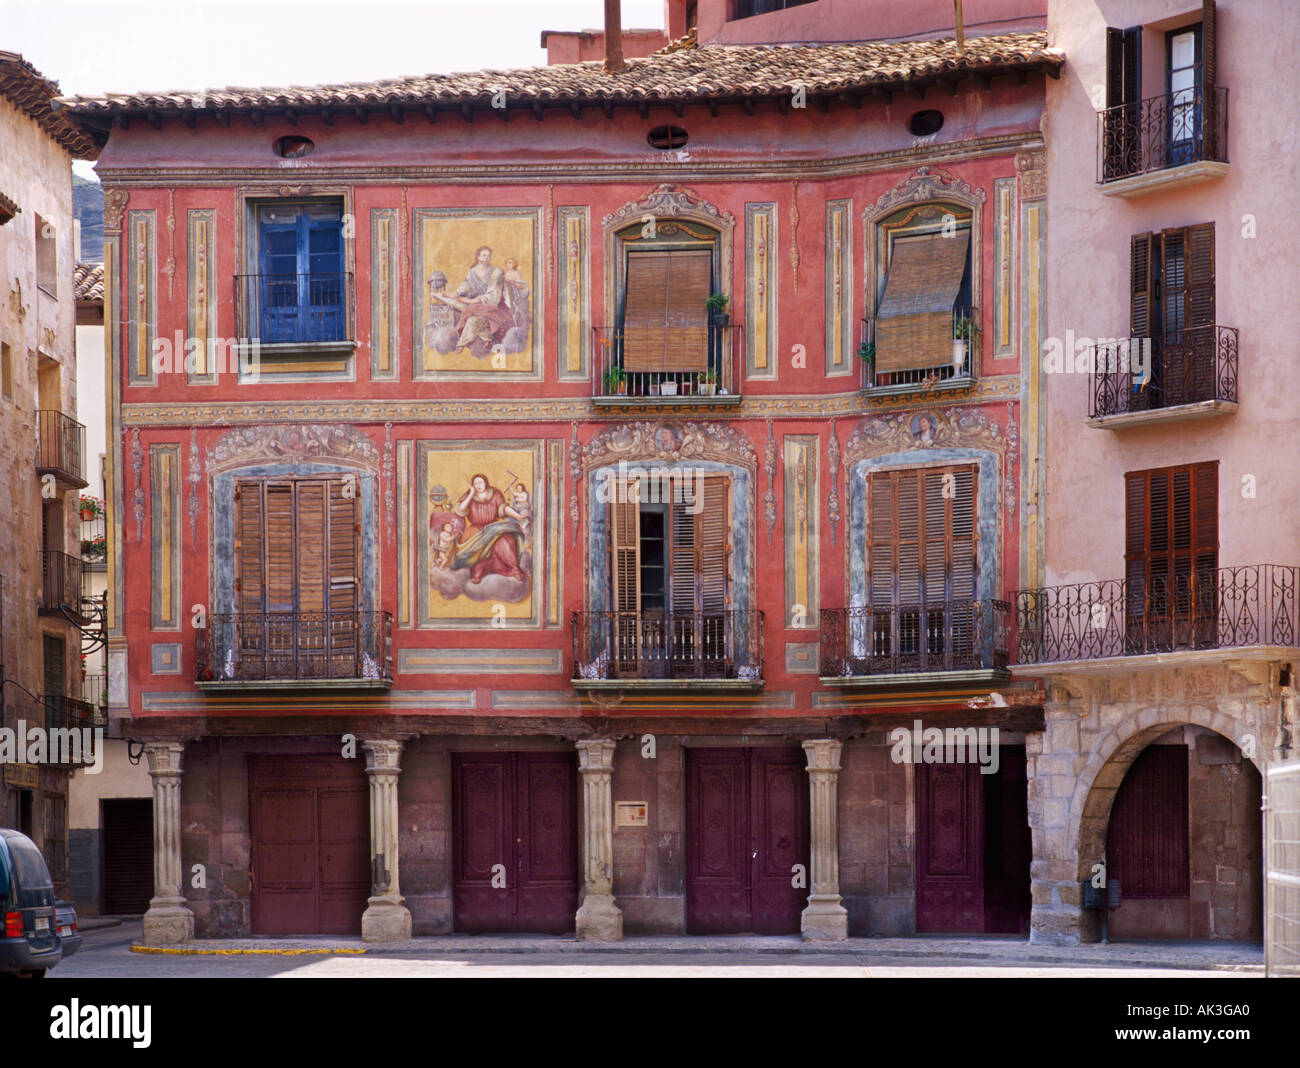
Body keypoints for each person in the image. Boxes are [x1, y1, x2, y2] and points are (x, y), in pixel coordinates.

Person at [452, 474, 526, 583]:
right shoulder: (469, 495)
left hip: (493, 526)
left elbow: (504, 508)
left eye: (480, 482)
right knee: (479, 545)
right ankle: (478, 571)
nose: (478, 485)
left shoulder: (495, 494)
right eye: (476, 483)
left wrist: (517, 516)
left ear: (486, 482)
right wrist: (471, 494)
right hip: (475, 529)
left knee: (505, 540)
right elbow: (460, 510)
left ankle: (514, 568)